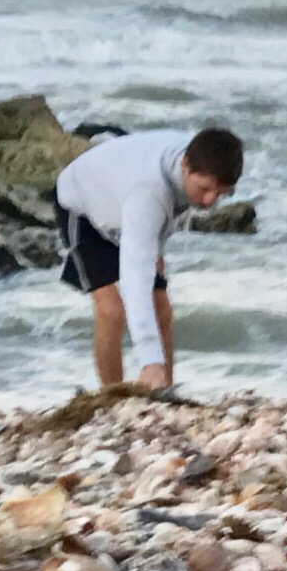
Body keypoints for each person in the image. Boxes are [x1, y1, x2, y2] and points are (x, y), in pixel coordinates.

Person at [53, 124, 245, 393]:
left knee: (161, 308)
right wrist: (149, 358)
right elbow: (134, 278)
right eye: (205, 189)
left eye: (222, 192)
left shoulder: (200, 157)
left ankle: (163, 390)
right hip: (81, 205)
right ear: (185, 165)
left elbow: (163, 219)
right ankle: (114, 396)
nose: (211, 201)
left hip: (125, 201)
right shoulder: (148, 194)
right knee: (111, 310)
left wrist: (157, 248)